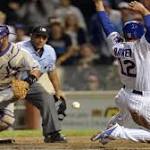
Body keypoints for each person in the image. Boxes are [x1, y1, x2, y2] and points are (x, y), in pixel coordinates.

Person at [91, 0, 150, 144]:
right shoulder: (142, 46)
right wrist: (144, 11)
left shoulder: (117, 44)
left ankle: (106, 136)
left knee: (122, 117)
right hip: (140, 98)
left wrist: (98, 5)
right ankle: (118, 132)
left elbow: (107, 26)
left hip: (124, 95)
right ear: (141, 34)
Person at [17, 26, 67, 143]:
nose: (40, 40)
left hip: (30, 85)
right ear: (31, 36)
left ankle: (52, 134)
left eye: (44, 37)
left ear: (47, 39)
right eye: (37, 36)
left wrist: (58, 90)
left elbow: (52, 71)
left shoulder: (50, 51)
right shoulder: (19, 47)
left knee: (47, 98)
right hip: (11, 82)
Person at [0, 25, 41, 141]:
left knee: (6, 121)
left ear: (6, 37)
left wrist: (28, 82)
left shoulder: (18, 53)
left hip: (7, 90)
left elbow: (36, 69)